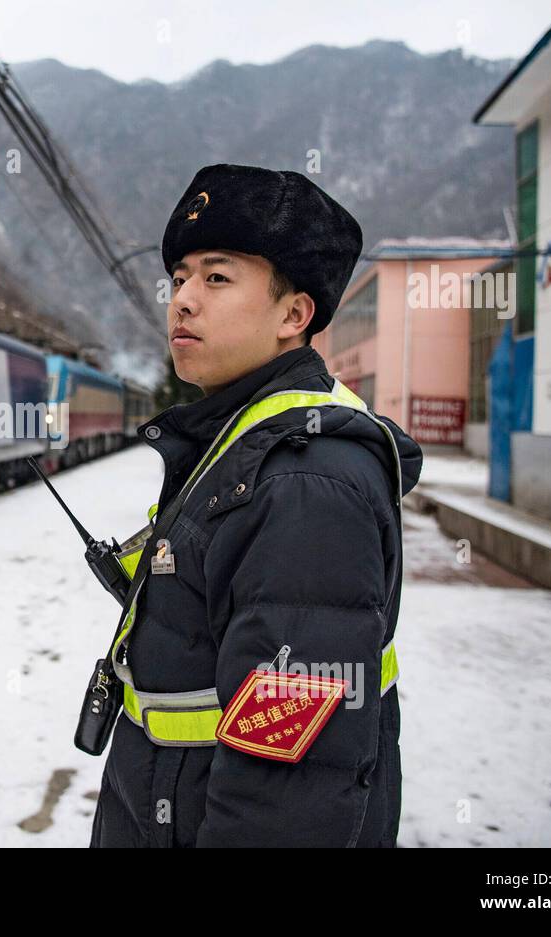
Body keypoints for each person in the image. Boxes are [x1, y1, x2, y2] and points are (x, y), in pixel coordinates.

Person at [88, 164, 423, 847]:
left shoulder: (306, 481)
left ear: (293, 315)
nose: (182, 298)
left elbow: (289, 784)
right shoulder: (244, 439)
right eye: (179, 277)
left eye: (216, 277)